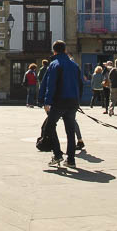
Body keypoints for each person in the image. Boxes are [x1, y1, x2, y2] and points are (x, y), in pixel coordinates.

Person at [37, 40, 82, 169]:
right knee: (70, 130)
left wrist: (46, 101)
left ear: (54, 51)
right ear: (65, 49)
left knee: (49, 127)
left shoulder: (55, 64)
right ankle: (71, 160)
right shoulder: (74, 65)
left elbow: (50, 84)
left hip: (59, 101)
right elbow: (80, 84)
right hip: (73, 101)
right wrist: (78, 100)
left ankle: (57, 154)